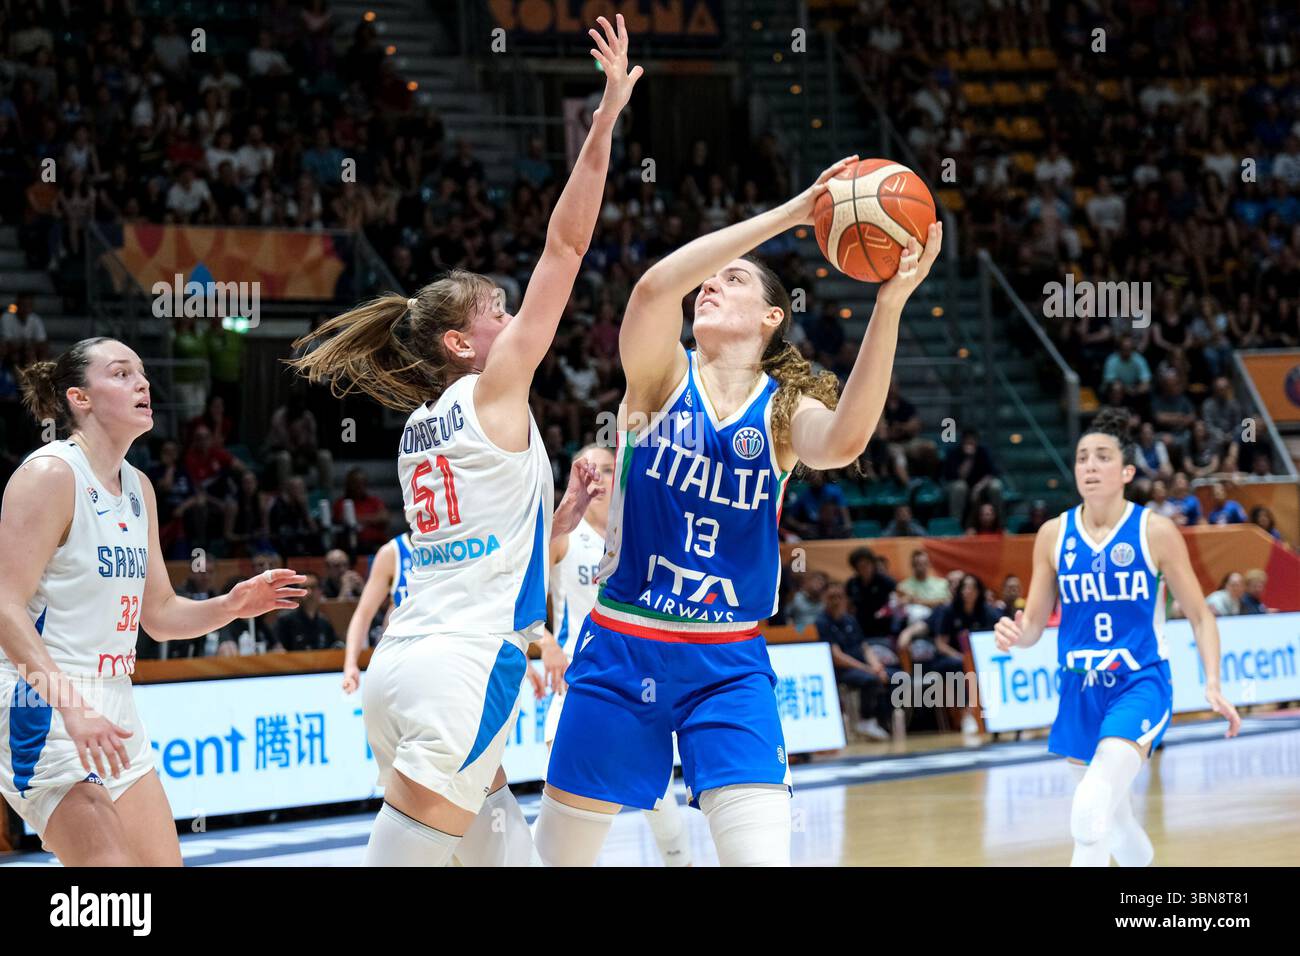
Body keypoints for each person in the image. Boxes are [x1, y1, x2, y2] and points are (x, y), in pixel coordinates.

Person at [286, 15, 639, 868]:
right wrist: (606, 115)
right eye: (499, 313)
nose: (516, 322)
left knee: (501, 854)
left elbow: (470, 541)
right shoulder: (495, 385)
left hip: (403, 668)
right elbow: (567, 244)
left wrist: (554, 526)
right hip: (466, 668)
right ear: (460, 343)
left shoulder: (417, 427)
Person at [535, 145, 943, 866]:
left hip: (727, 660)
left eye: (732, 281)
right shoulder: (661, 380)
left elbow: (846, 439)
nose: (709, 286)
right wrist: (794, 212)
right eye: (710, 280)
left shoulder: (783, 409)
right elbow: (657, 288)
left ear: (770, 318)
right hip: (620, 647)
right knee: (557, 861)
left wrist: (890, 305)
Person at [0, 338, 304, 865]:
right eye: (121, 374)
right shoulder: (49, 475)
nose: (142, 383)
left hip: (115, 703)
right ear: (80, 398)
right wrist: (71, 708)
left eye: (141, 373)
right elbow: (3, 605)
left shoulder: (139, 486)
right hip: (41, 701)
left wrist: (231, 605)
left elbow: (159, 616)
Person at [995, 408, 1240, 867]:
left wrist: (1212, 682)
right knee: (1116, 821)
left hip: (1138, 683)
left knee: (1088, 814)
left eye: (1102, 457)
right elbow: (1033, 626)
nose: (1089, 465)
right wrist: (1015, 634)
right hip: (1078, 687)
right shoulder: (1052, 535)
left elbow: (1201, 616)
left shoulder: (1155, 531)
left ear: (1127, 471)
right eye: (1082, 457)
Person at [541, 444, 692, 866]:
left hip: (643, 676)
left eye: (610, 469)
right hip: (579, 676)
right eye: (592, 470)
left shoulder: (643, 533)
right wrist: (544, 641)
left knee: (656, 797)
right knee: (566, 784)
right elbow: (516, 583)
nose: (602, 479)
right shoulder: (564, 536)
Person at [818, 584, 896, 740]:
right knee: (871, 680)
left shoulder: (850, 620)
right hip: (841, 671)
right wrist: (867, 669)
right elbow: (836, 656)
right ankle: (866, 720)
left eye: (839, 597)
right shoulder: (822, 622)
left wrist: (876, 666)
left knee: (894, 676)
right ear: (825, 600)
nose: (836, 601)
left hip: (863, 667)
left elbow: (865, 647)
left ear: (845, 599)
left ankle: (886, 720)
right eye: (832, 597)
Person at [271, 573, 340, 651]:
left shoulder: (324, 622)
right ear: (296, 593)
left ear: (320, 591)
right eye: (304, 588)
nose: (309, 592)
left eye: (313, 587)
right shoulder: (285, 620)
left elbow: (333, 647)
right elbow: (277, 649)